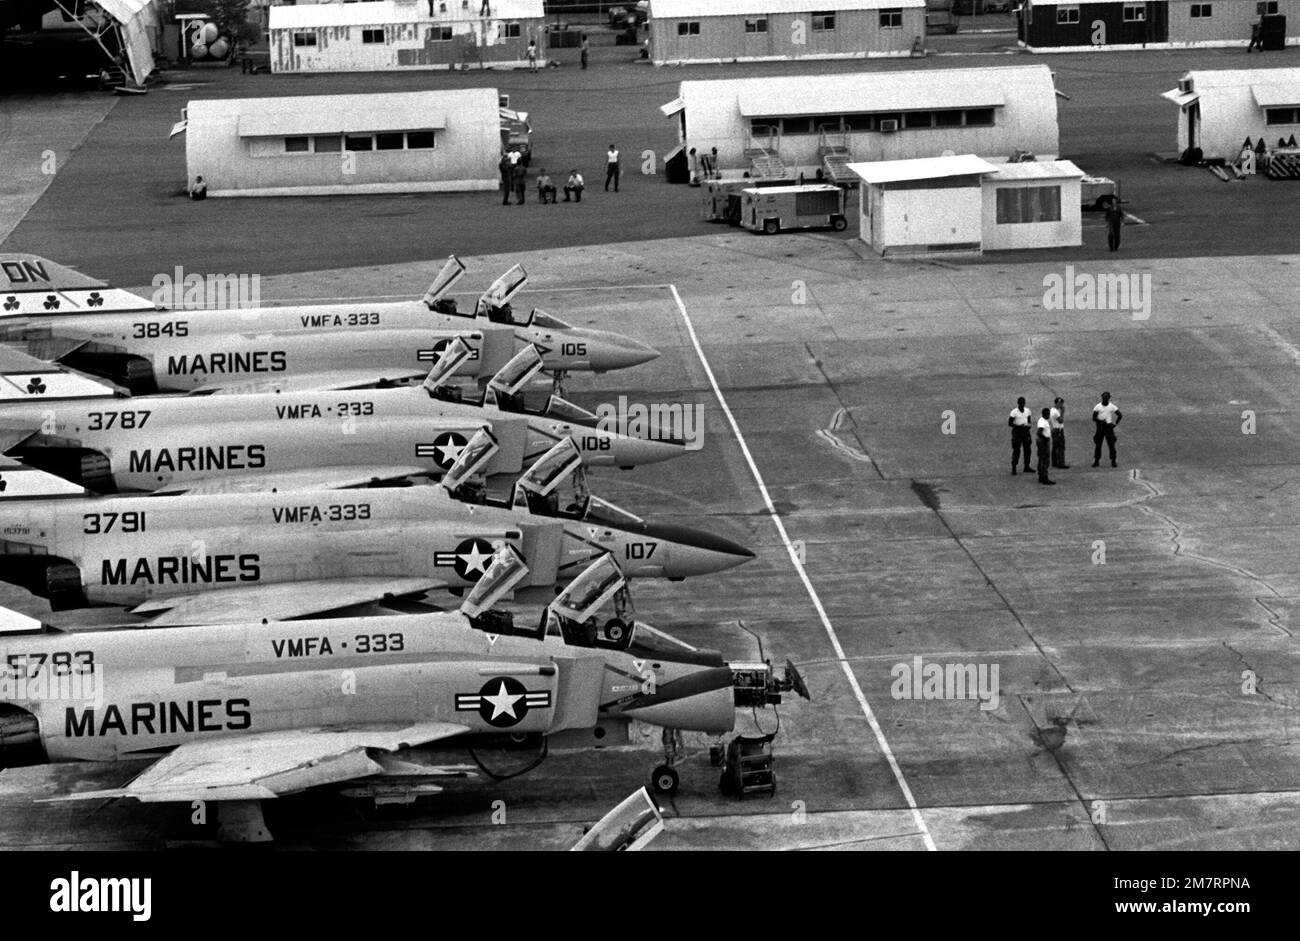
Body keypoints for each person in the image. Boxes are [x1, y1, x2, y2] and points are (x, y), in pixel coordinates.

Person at [1092, 392, 1122, 467]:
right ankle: (1097, 460)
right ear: (1102, 398)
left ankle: (1112, 460)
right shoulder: (1098, 407)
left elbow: (1120, 415)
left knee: (1111, 445)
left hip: (1107, 427)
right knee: (1099, 444)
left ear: (1109, 398)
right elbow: (1094, 418)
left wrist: (1114, 424)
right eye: (1104, 397)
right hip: (1101, 427)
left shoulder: (1111, 406)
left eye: (1106, 397)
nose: (1105, 399)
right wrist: (1101, 421)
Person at [1008, 396, 1032, 475]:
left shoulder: (1027, 411)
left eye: (1023, 403)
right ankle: (1014, 467)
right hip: (1017, 432)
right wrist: (1018, 426)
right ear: (1018, 403)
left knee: (1027, 450)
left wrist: (1028, 426)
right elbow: (1010, 423)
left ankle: (1027, 466)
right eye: (1021, 403)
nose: (1022, 405)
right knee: (1016, 450)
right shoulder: (1014, 412)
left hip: (1025, 432)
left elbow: (1029, 421)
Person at [1050, 397, 1069, 469]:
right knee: (1061, 447)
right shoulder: (1056, 412)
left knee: (1055, 447)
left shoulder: (1052, 410)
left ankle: (1054, 462)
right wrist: (1062, 412)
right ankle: (1061, 463)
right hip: (1058, 430)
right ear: (1058, 403)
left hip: (1055, 429)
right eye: (1061, 404)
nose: (1062, 405)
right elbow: (1061, 421)